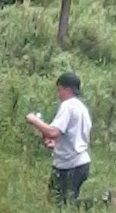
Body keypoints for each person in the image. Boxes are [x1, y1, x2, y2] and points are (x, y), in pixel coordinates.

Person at [26, 71, 92, 204]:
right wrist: (55, 145)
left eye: (59, 90)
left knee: (61, 204)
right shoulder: (82, 109)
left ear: (67, 89)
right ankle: (99, 202)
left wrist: (34, 120)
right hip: (79, 162)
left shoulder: (68, 106)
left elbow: (53, 132)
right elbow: (73, 137)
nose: (58, 94)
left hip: (69, 166)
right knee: (61, 203)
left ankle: (100, 201)